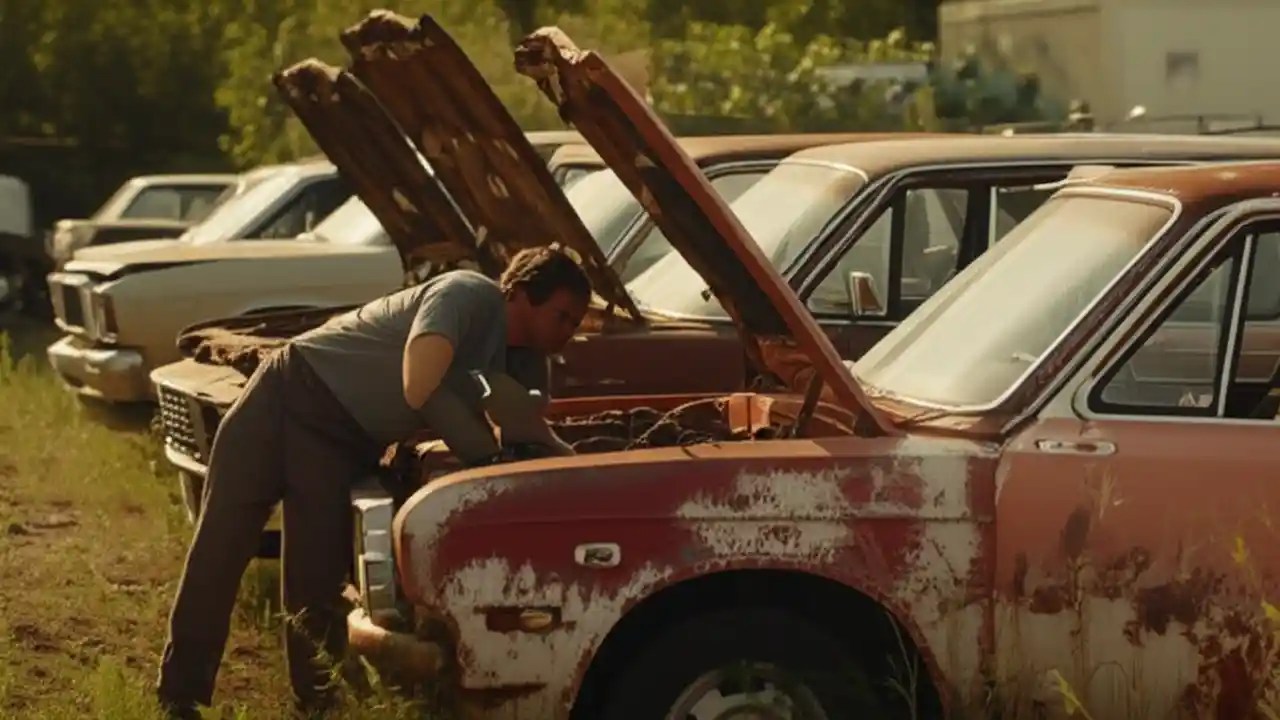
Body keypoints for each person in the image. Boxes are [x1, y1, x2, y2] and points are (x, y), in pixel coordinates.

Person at [155, 246, 592, 718]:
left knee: (316, 578)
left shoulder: (525, 361)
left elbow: (527, 427)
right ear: (521, 295)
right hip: (287, 395)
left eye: (575, 322)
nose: (566, 332)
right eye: (561, 316)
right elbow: (419, 381)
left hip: (342, 440)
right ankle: (178, 695)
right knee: (220, 549)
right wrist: (485, 453)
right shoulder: (465, 294)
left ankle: (317, 703)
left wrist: (576, 467)